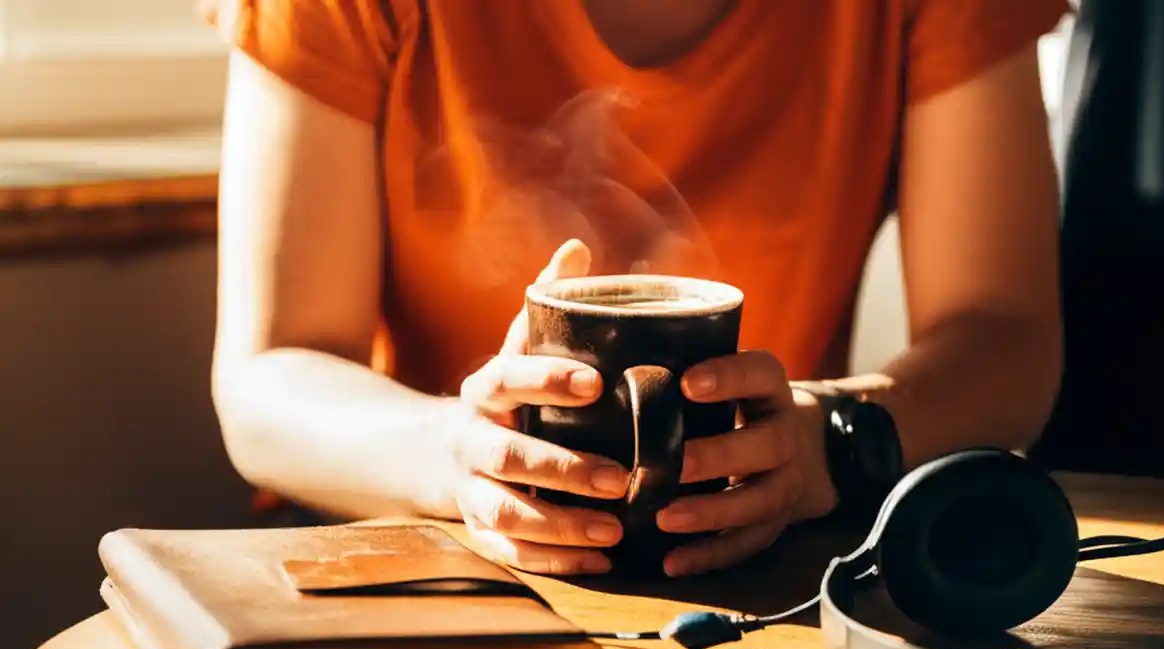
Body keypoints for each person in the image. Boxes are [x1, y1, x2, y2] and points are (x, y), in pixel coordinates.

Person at [205, 0, 1067, 578]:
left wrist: (828, 443)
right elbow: (269, 377)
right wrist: (454, 457)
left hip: (765, 578)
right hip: (414, 563)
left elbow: (1004, 335)